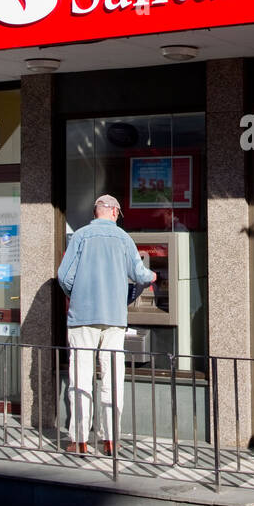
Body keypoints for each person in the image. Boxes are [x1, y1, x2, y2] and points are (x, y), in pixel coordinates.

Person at [57, 194, 155, 455]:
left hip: (82, 319)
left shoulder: (79, 236)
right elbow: (140, 274)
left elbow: (63, 277)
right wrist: (150, 277)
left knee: (80, 379)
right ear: (114, 212)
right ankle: (110, 439)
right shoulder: (124, 238)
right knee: (112, 378)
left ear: (96, 211)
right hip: (114, 319)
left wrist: (77, 295)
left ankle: (79, 441)